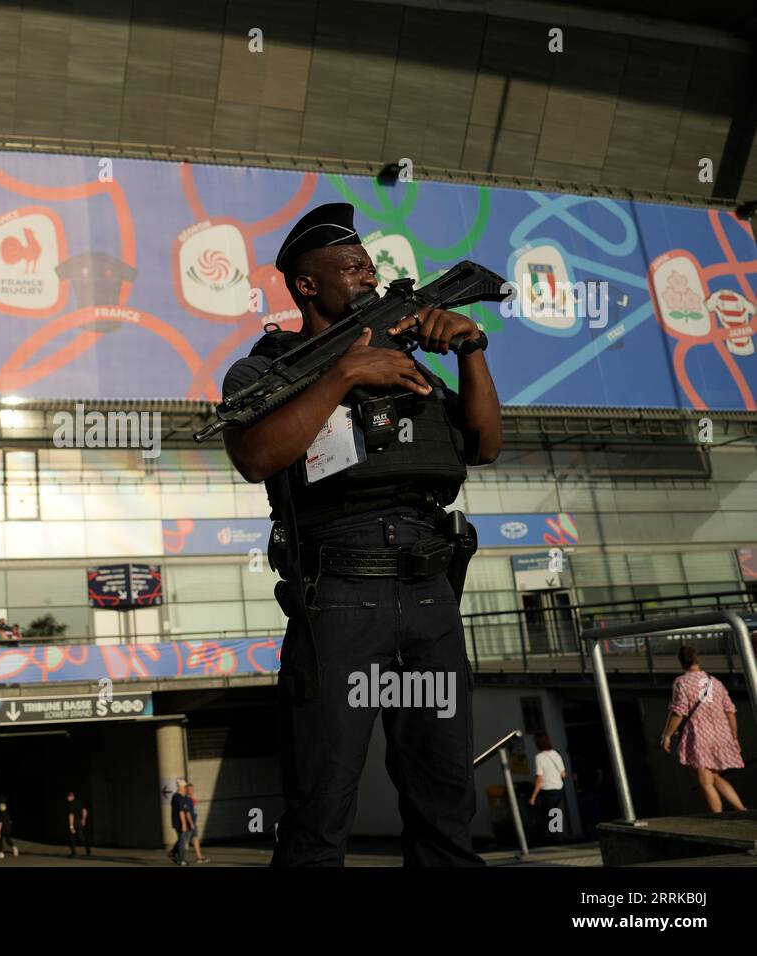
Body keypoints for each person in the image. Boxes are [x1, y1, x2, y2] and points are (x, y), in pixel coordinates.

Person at [220, 203, 501, 867]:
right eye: (351, 269)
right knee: (322, 807)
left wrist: (471, 351)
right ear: (306, 285)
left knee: (444, 801)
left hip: (430, 600)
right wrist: (347, 373)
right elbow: (257, 456)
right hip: (341, 603)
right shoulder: (262, 372)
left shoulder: (411, 364)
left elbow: (484, 445)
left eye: (371, 267)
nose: (369, 278)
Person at [661, 645, 745, 812]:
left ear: (681, 662)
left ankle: (718, 818)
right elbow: (730, 710)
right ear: (698, 659)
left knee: (705, 782)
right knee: (714, 776)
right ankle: (742, 809)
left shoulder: (681, 682)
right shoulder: (715, 681)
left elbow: (679, 711)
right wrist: (734, 737)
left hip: (700, 736)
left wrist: (667, 734)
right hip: (722, 734)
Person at [528, 733, 568, 844]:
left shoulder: (539, 757)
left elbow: (540, 778)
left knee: (547, 814)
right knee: (556, 812)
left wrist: (533, 796)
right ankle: (558, 836)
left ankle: (554, 838)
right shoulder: (556, 754)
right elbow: (563, 774)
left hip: (547, 789)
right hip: (559, 788)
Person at [169, 777, 192, 865]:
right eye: (185, 786)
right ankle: (181, 859)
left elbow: (185, 810)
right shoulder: (178, 797)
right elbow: (181, 812)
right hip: (179, 822)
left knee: (181, 840)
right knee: (182, 842)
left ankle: (173, 853)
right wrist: (183, 824)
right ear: (181, 787)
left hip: (181, 822)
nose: (186, 788)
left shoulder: (181, 797)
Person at [185, 782, 208, 863]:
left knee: (195, 839)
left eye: (192, 789)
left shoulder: (191, 798)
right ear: (186, 790)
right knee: (183, 840)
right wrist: (191, 823)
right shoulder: (186, 799)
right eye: (190, 789)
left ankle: (199, 856)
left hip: (193, 822)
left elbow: (195, 805)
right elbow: (187, 812)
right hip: (189, 823)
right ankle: (174, 853)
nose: (192, 791)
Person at [66, 790, 91, 857]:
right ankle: (88, 851)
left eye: (69, 796)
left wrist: (71, 826)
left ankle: (74, 853)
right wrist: (83, 819)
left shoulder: (70, 804)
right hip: (79, 821)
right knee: (81, 836)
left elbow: (71, 815)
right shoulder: (79, 802)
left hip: (74, 822)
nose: (67, 798)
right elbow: (85, 811)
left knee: (72, 837)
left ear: (72, 797)